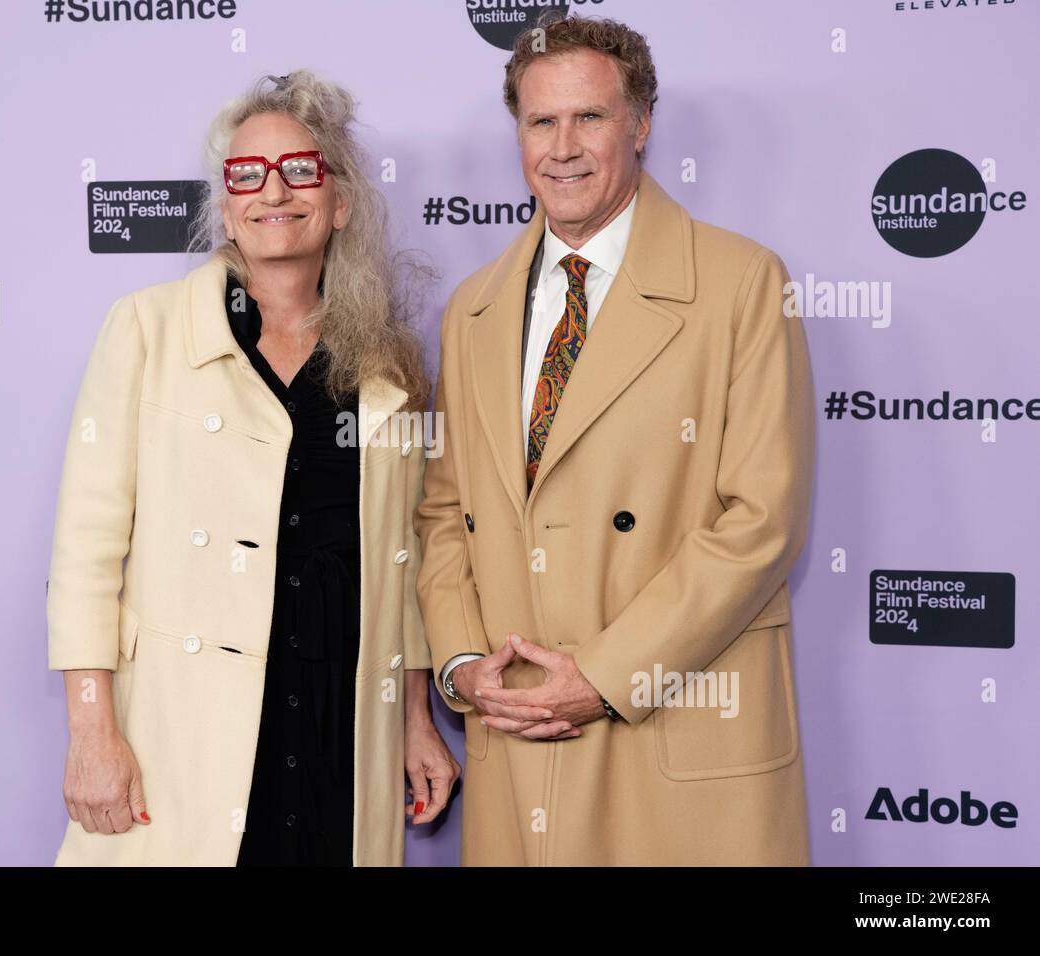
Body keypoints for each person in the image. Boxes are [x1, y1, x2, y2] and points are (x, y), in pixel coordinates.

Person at [414, 15, 816, 865]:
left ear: (640, 124)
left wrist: (601, 676)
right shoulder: (473, 309)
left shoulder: (741, 283)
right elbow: (444, 514)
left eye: (589, 118)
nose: (564, 147)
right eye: (540, 121)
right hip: (519, 737)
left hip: (676, 726)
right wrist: (459, 667)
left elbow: (761, 519)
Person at [47, 70, 458, 866]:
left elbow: (401, 563)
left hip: (342, 722)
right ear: (227, 206)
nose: (275, 191)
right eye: (248, 174)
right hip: (186, 733)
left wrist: (413, 717)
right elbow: (85, 552)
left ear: (339, 201)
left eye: (300, 169)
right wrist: (92, 732)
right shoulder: (147, 331)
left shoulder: (390, 364)